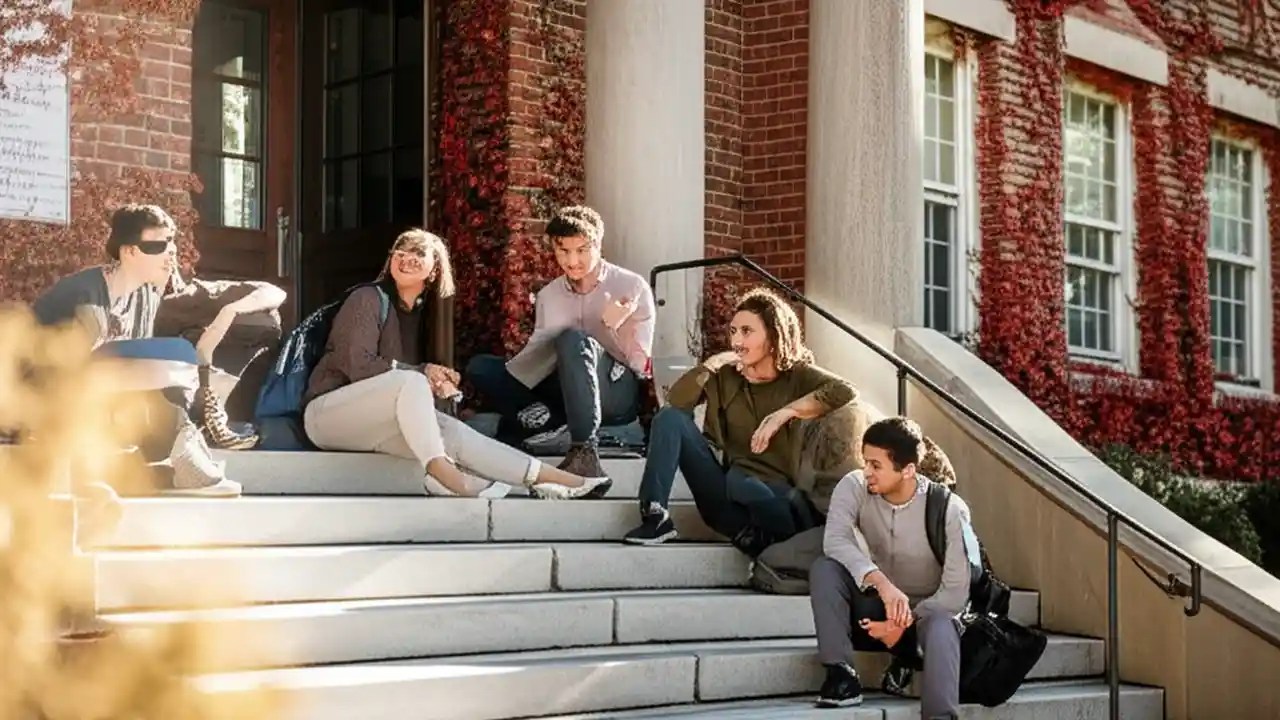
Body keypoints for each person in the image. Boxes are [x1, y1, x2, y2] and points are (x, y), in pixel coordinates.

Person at [302, 228, 612, 499]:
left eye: (418, 252)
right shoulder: (367, 299)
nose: (407, 256)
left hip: (369, 426)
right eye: (402, 250)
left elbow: (413, 401)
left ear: (434, 270)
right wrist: (422, 372)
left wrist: (442, 391)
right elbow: (358, 365)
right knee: (412, 383)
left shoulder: (424, 320)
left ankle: (556, 480)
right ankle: (444, 474)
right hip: (327, 415)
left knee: (451, 431)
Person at [622, 287, 855, 556]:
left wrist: (785, 413)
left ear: (773, 336)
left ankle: (763, 544)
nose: (737, 340)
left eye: (747, 331)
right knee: (670, 419)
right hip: (726, 494)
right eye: (733, 331)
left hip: (774, 496)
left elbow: (844, 390)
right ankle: (655, 516)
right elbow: (675, 403)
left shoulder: (797, 376)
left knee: (763, 498)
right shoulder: (727, 375)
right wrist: (712, 364)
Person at [31, 203, 240, 497]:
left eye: (170, 243)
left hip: (96, 400)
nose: (169, 252)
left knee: (169, 370)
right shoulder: (86, 294)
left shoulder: (145, 297)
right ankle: (183, 463)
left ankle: (176, 460)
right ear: (129, 251)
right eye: (157, 245)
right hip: (38, 398)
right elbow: (66, 370)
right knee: (160, 368)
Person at [465, 205, 654, 478]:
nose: (572, 260)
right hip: (564, 385)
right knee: (481, 367)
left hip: (614, 390)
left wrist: (610, 328)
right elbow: (538, 353)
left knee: (573, 340)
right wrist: (514, 379)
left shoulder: (631, 286)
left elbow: (639, 367)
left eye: (581, 250)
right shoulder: (549, 295)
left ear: (598, 245)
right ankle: (550, 422)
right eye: (563, 251)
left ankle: (584, 451)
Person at [809, 416, 971, 718]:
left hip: (926, 613)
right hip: (875, 605)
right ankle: (841, 676)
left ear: (908, 470)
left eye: (876, 465)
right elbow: (836, 541)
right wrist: (880, 583)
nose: (866, 471)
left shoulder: (950, 509)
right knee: (825, 569)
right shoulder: (854, 486)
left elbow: (955, 595)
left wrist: (903, 625)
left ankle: (941, 715)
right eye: (865, 461)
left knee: (942, 624)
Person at [156, 271, 287, 449]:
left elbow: (274, 292)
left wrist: (229, 312)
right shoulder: (148, 305)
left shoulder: (198, 294)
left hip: (218, 369)